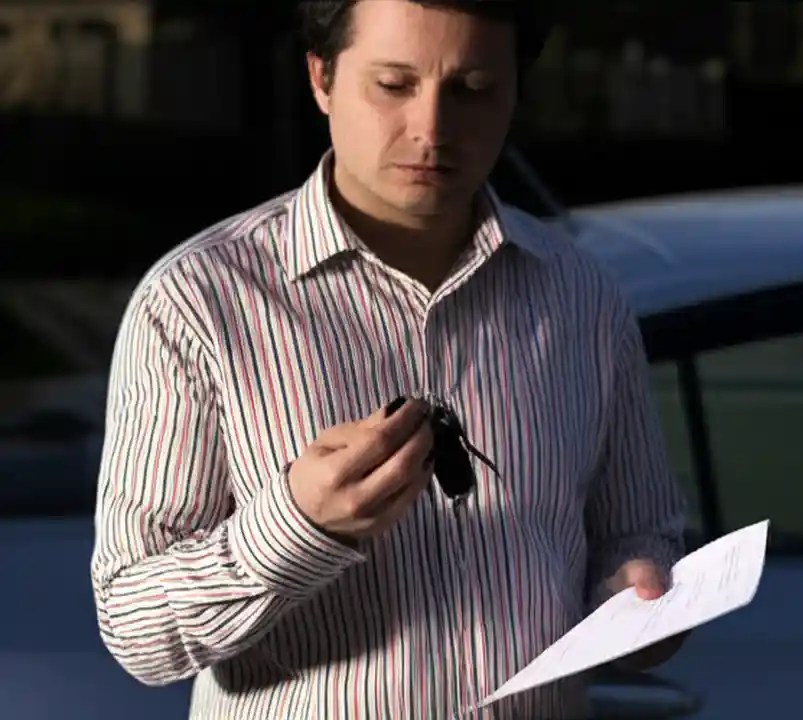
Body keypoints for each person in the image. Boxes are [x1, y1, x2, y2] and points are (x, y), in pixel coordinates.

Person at [89, 1, 688, 718]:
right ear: (322, 79)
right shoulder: (196, 303)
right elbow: (135, 631)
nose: (432, 130)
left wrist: (638, 595)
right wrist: (298, 525)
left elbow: (637, 534)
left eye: (471, 90)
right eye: (393, 84)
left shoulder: (584, 297)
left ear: (514, 93)